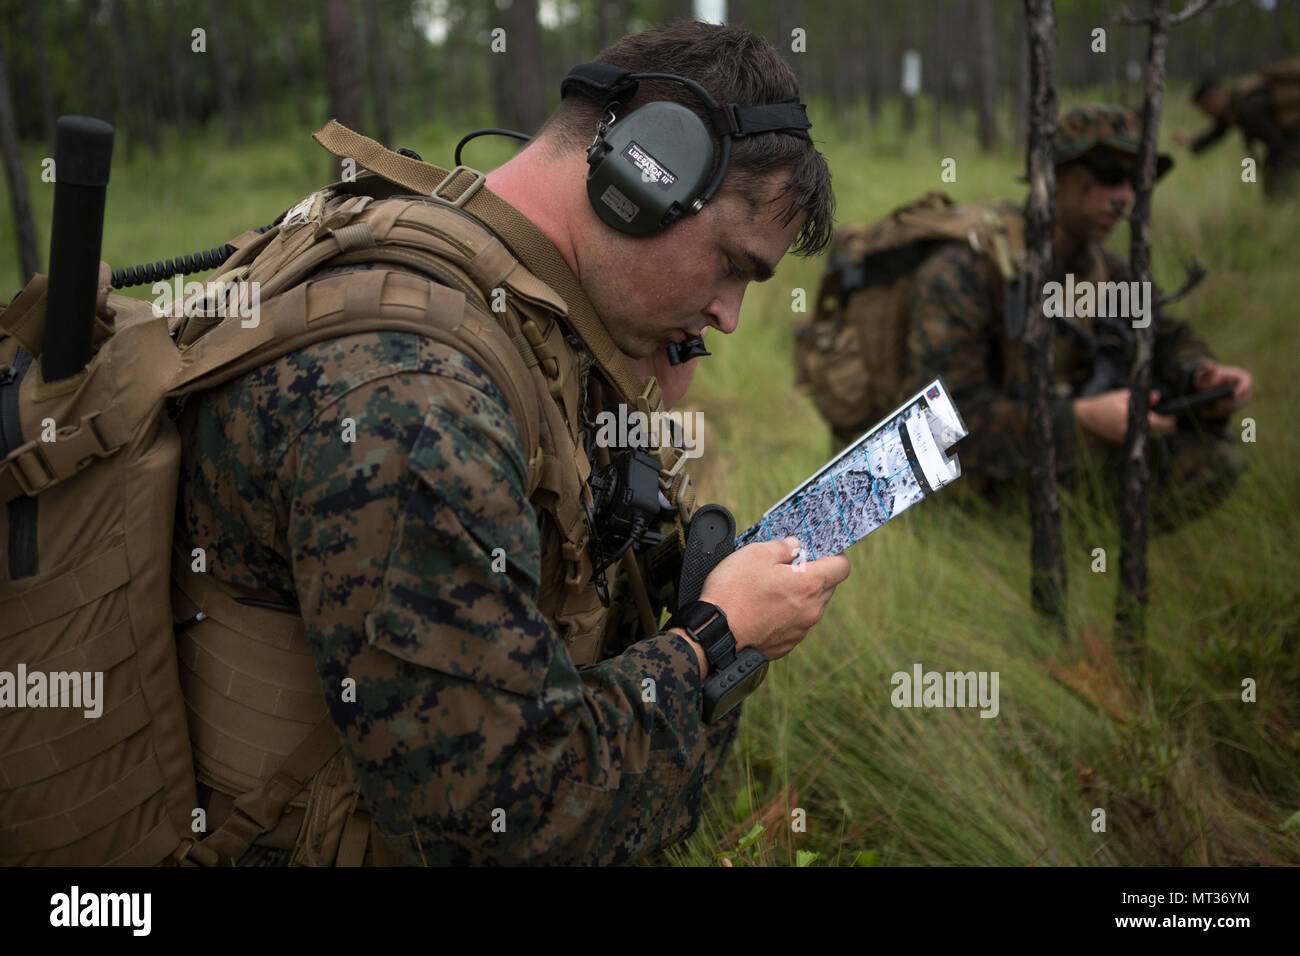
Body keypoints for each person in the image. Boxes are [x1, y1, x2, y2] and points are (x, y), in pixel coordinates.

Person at [173, 19, 849, 866]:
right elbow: (497, 815)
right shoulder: (415, 395)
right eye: (732, 265)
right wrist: (714, 643)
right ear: (648, 173)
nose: (729, 314)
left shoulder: (512, 308)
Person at [899, 105, 1253, 528]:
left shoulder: (1107, 271)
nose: (1124, 195)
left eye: (1135, 181)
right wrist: (1082, 420)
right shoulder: (965, 271)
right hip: (977, 481)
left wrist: (1200, 375)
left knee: (1211, 461)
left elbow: (1165, 337)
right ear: (1051, 174)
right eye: (1107, 175)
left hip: (1061, 456)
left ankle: (1087, 546)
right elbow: (939, 432)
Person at [1174, 62, 1300, 197]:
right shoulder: (1235, 108)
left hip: (1292, 142)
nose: (1206, 113)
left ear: (1214, 98)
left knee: (1278, 179)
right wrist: (1192, 142)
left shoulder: (1249, 108)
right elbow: (1217, 133)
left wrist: (1269, 166)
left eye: (1205, 108)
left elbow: (1276, 141)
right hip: (1288, 143)